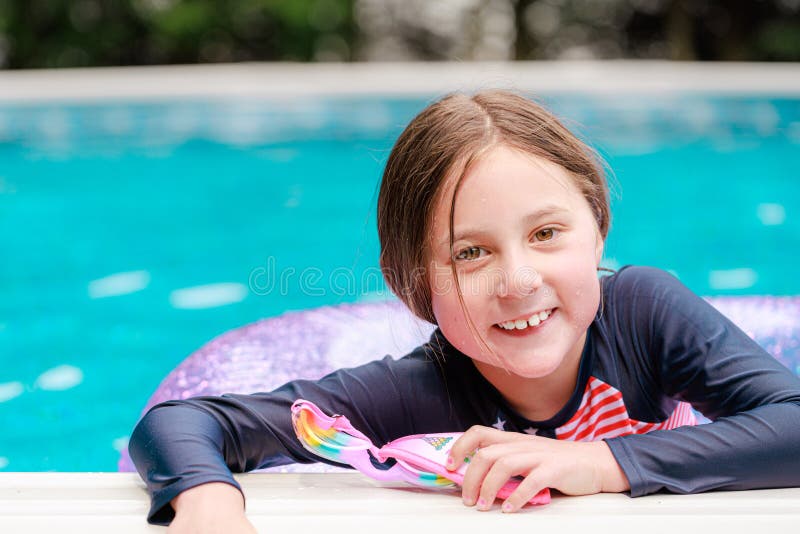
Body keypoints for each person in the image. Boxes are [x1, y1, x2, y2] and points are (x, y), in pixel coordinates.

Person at [129, 90, 800, 531]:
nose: (518, 280)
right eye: (470, 253)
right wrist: (211, 506)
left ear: (598, 231)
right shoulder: (419, 390)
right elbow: (182, 422)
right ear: (415, 285)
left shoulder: (643, 313)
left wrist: (601, 463)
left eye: (546, 233)